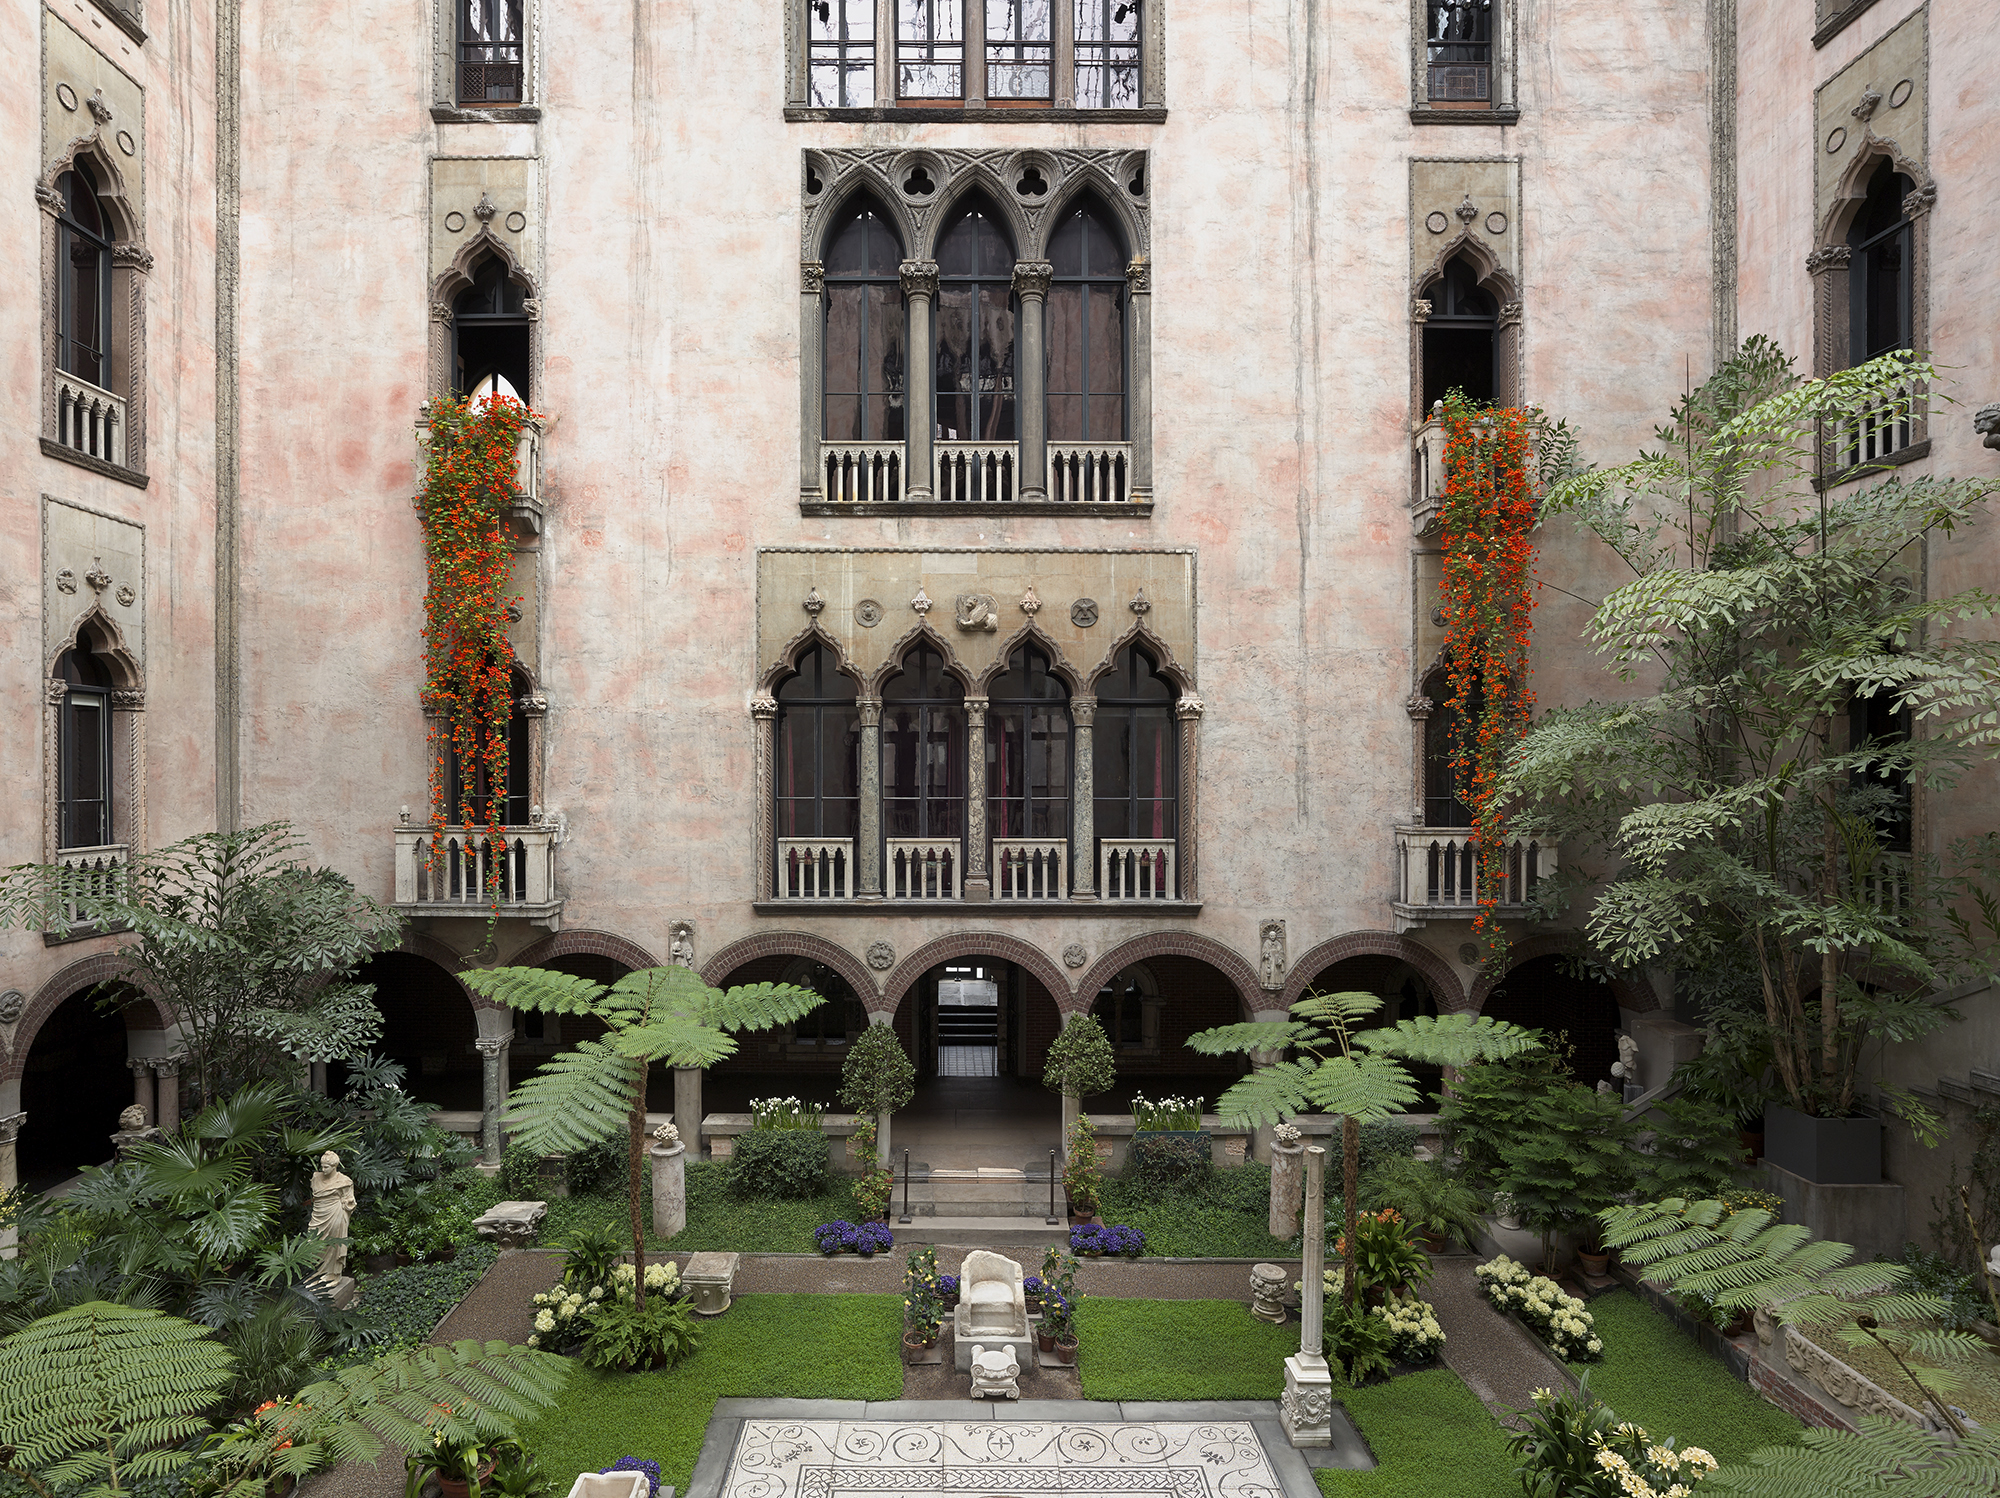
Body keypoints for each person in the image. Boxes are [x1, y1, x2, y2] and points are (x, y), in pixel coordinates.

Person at [307, 1149, 357, 1286]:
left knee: (334, 1244)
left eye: (326, 1167)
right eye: (322, 1166)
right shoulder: (316, 1177)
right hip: (318, 1214)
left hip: (335, 1215)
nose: (323, 1169)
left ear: (334, 1166)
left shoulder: (344, 1181)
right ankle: (315, 1274)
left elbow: (350, 1200)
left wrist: (348, 1203)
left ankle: (333, 1275)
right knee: (313, 1241)